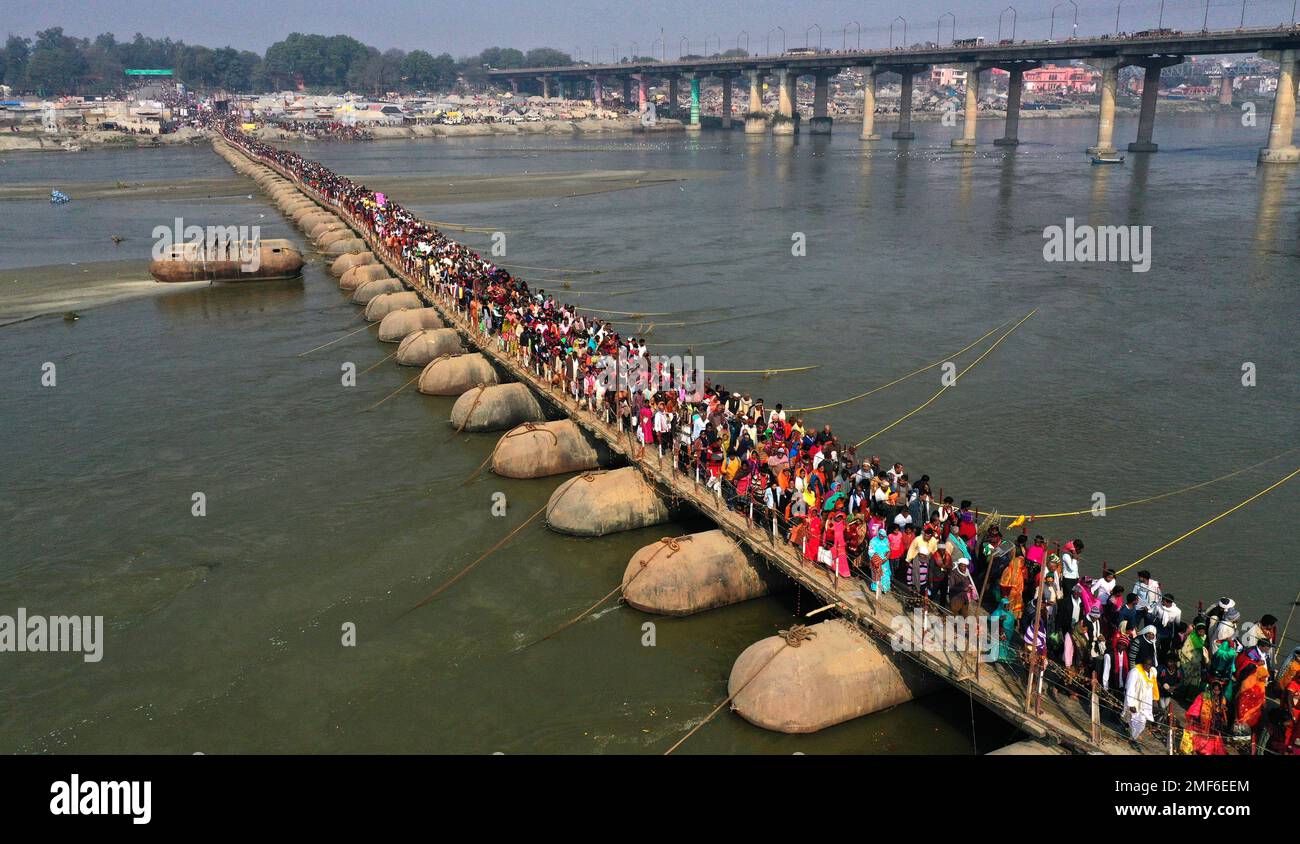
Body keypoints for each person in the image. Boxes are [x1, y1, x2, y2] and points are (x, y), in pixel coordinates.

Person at [1125, 654, 1158, 746]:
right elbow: (1130, 688)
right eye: (1145, 664)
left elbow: (1153, 687)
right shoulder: (1135, 672)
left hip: (1146, 703)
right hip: (1135, 701)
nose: (1147, 667)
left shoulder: (1153, 672)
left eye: (1149, 665)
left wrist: (1154, 700)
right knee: (1134, 720)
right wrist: (1131, 704)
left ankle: (1133, 737)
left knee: (1142, 722)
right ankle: (1133, 739)